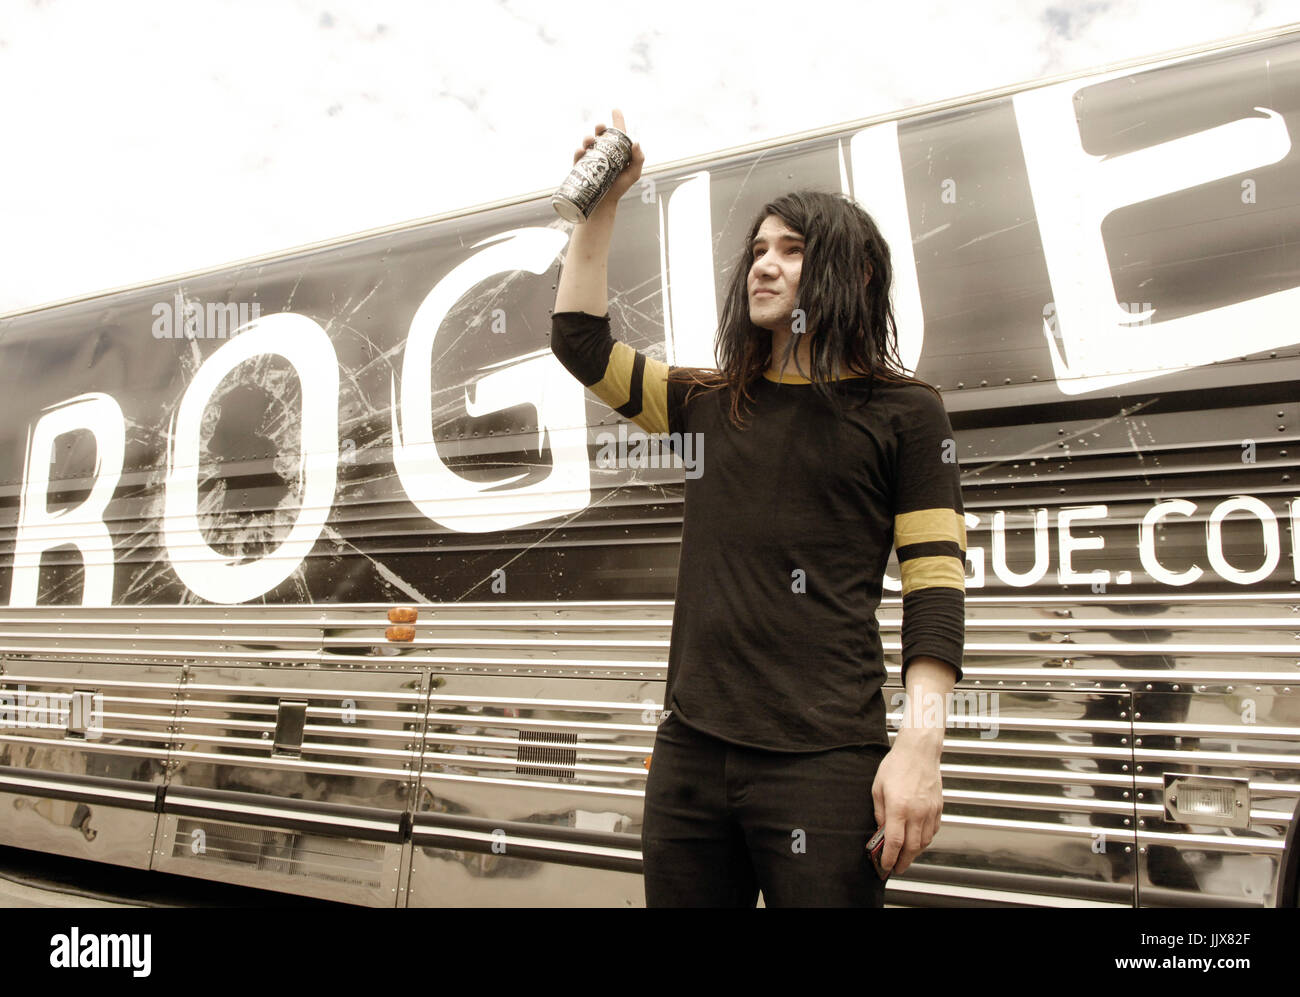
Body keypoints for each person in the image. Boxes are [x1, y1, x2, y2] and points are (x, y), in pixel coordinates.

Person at [550, 109, 967, 907]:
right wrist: (603, 203)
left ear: (855, 274)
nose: (763, 266)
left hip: (826, 764)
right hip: (689, 756)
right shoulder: (708, 402)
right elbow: (580, 341)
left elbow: (935, 584)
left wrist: (920, 745)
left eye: (793, 250)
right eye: (758, 250)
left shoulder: (906, 412)